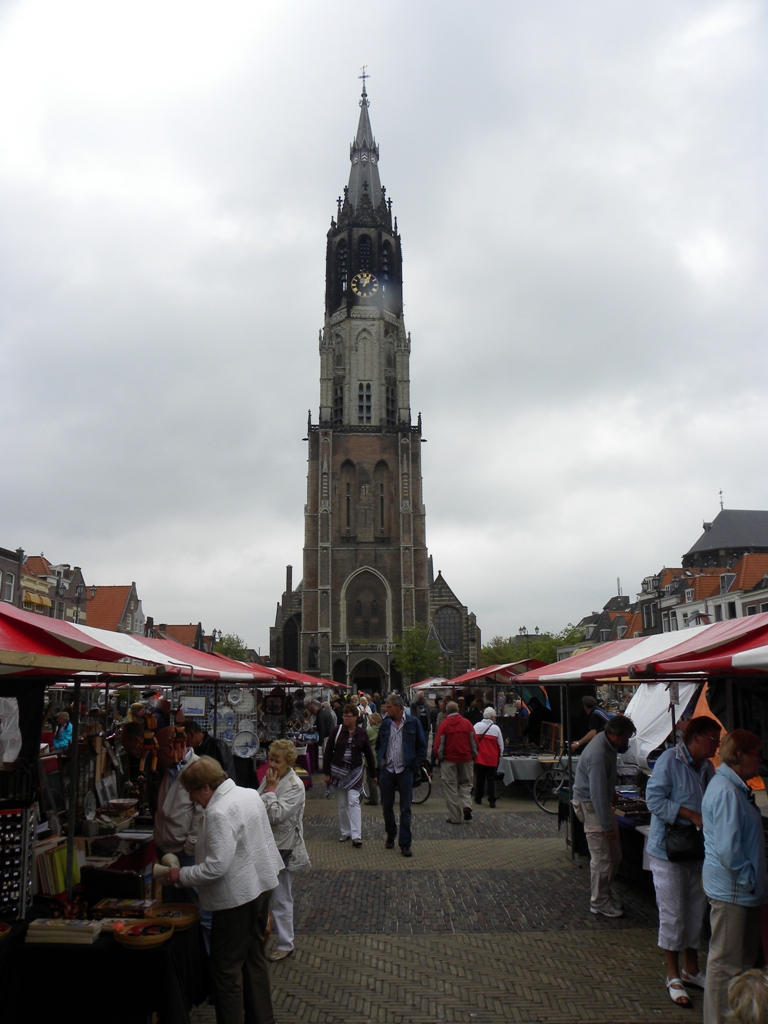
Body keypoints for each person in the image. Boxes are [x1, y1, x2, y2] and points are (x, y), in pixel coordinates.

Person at [167, 756, 283, 1024]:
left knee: (225, 969)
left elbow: (217, 866)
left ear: (206, 787)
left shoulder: (219, 811)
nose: (194, 799)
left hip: (238, 898)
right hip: (260, 886)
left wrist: (181, 875)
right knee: (253, 959)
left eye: (194, 792)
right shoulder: (247, 794)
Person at [644, 716, 720, 1008]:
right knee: (673, 913)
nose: (716, 745)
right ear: (696, 737)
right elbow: (654, 800)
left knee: (695, 912)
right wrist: (690, 815)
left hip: (698, 852)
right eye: (713, 739)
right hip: (669, 852)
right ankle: (672, 974)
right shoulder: (669, 760)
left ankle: (692, 969)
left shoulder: (708, 768)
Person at [701, 730, 768, 1024]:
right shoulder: (727, 790)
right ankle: (717, 1019)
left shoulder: (731, 787)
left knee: (736, 962)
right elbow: (729, 849)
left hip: (739, 891)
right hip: (733, 892)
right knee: (725, 965)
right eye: (756, 753)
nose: (760, 760)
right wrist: (749, 880)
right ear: (740, 755)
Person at [571, 714, 636, 918]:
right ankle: (599, 902)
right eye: (626, 737)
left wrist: (611, 791)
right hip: (591, 806)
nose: (627, 741)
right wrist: (607, 825)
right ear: (614, 735)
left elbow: (601, 787)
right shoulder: (599, 753)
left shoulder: (607, 745)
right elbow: (596, 793)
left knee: (613, 856)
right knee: (602, 858)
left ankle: (604, 896)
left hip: (597, 804)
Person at [258, 740, 310, 962]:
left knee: (281, 896)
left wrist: (270, 791)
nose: (272, 764)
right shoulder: (270, 777)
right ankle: (262, 936)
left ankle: (286, 943)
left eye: (277, 761)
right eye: (270, 759)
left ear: (288, 762)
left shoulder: (294, 786)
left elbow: (277, 815)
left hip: (284, 846)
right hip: (265, 843)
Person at [376, 694, 426, 857]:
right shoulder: (385, 724)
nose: (385, 709)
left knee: (405, 808)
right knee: (386, 807)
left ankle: (405, 843)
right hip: (388, 770)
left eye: (388, 707)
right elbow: (378, 746)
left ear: (398, 707)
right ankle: (391, 834)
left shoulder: (413, 722)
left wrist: (414, 763)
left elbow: (421, 746)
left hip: (405, 770)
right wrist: (380, 760)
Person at [323, 704, 377, 847]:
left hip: (355, 771)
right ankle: (345, 831)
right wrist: (327, 773)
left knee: (353, 801)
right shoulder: (337, 731)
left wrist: (373, 774)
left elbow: (369, 754)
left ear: (355, 717)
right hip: (338, 771)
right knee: (342, 804)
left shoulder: (362, 733)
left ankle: (356, 835)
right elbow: (328, 752)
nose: (346, 718)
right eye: (344, 716)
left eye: (348, 716)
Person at [433, 701, 477, 824]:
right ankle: (467, 805)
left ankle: (455, 817)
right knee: (466, 783)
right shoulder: (467, 724)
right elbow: (473, 742)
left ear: (446, 711)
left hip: (449, 760)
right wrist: (473, 755)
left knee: (450, 788)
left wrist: (440, 757)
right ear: (458, 710)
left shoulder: (444, 725)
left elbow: (438, 745)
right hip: (466, 758)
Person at [473, 707, 504, 808]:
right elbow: (500, 744)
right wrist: (500, 756)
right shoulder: (496, 728)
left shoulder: (476, 726)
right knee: (491, 780)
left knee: (479, 779)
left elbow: (472, 742)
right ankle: (492, 800)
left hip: (479, 757)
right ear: (492, 717)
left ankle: (478, 797)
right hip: (492, 758)